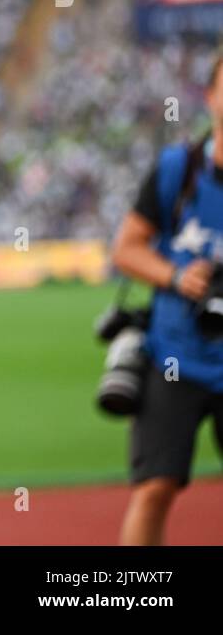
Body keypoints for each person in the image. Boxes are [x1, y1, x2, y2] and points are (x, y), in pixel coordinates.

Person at [111, 53, 223, 546]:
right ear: (211, 97)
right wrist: (180, 276)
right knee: (154, 488)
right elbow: (126, 249)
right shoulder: (180, 168)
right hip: (172, 355)